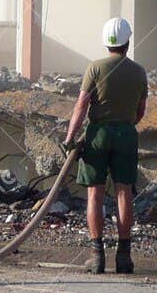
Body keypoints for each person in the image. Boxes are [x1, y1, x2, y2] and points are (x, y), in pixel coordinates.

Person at [63, 16, 148, 274]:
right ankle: (124, 257)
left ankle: (96, 256)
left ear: (105, 42)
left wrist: (70, 138)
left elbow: (81, 106)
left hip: (97, 135)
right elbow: (140, 112)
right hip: (126, 134)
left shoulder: (95, 68)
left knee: (95, 194)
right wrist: (124, 123)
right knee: (124, 193)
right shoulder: (138, 71)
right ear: (128, 41)